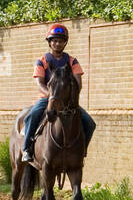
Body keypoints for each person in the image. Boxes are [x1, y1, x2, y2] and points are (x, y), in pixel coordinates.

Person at [19, 24, 96, 163]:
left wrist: (67, 97)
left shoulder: (72, 61)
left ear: (65, 42)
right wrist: (53, 96)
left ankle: (82, 150)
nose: (57, 43)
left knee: (90, 123)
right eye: (54, 40)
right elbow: (40, 84)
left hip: (67, 102)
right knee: (32, 115)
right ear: (49, 42)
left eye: (61, 41)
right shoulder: (42, 61)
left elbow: (78, 83)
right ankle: (27, 149)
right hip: (48, 99)